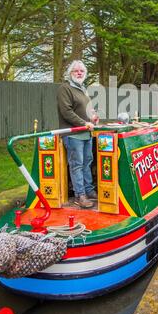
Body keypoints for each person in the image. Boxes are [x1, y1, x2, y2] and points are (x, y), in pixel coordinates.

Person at [57, 60, 98, 208]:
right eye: (76, 71)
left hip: (86, 133)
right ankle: (79, 195)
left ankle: (89, 190)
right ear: (70, 73)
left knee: (87, 162)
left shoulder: (83, 89)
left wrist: (93, 116)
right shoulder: (65, 88)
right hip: (73, 134)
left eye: (82, 71)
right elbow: (66, 112)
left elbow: (86, 110)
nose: (79, 73)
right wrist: (84, 123)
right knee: (77, 165)